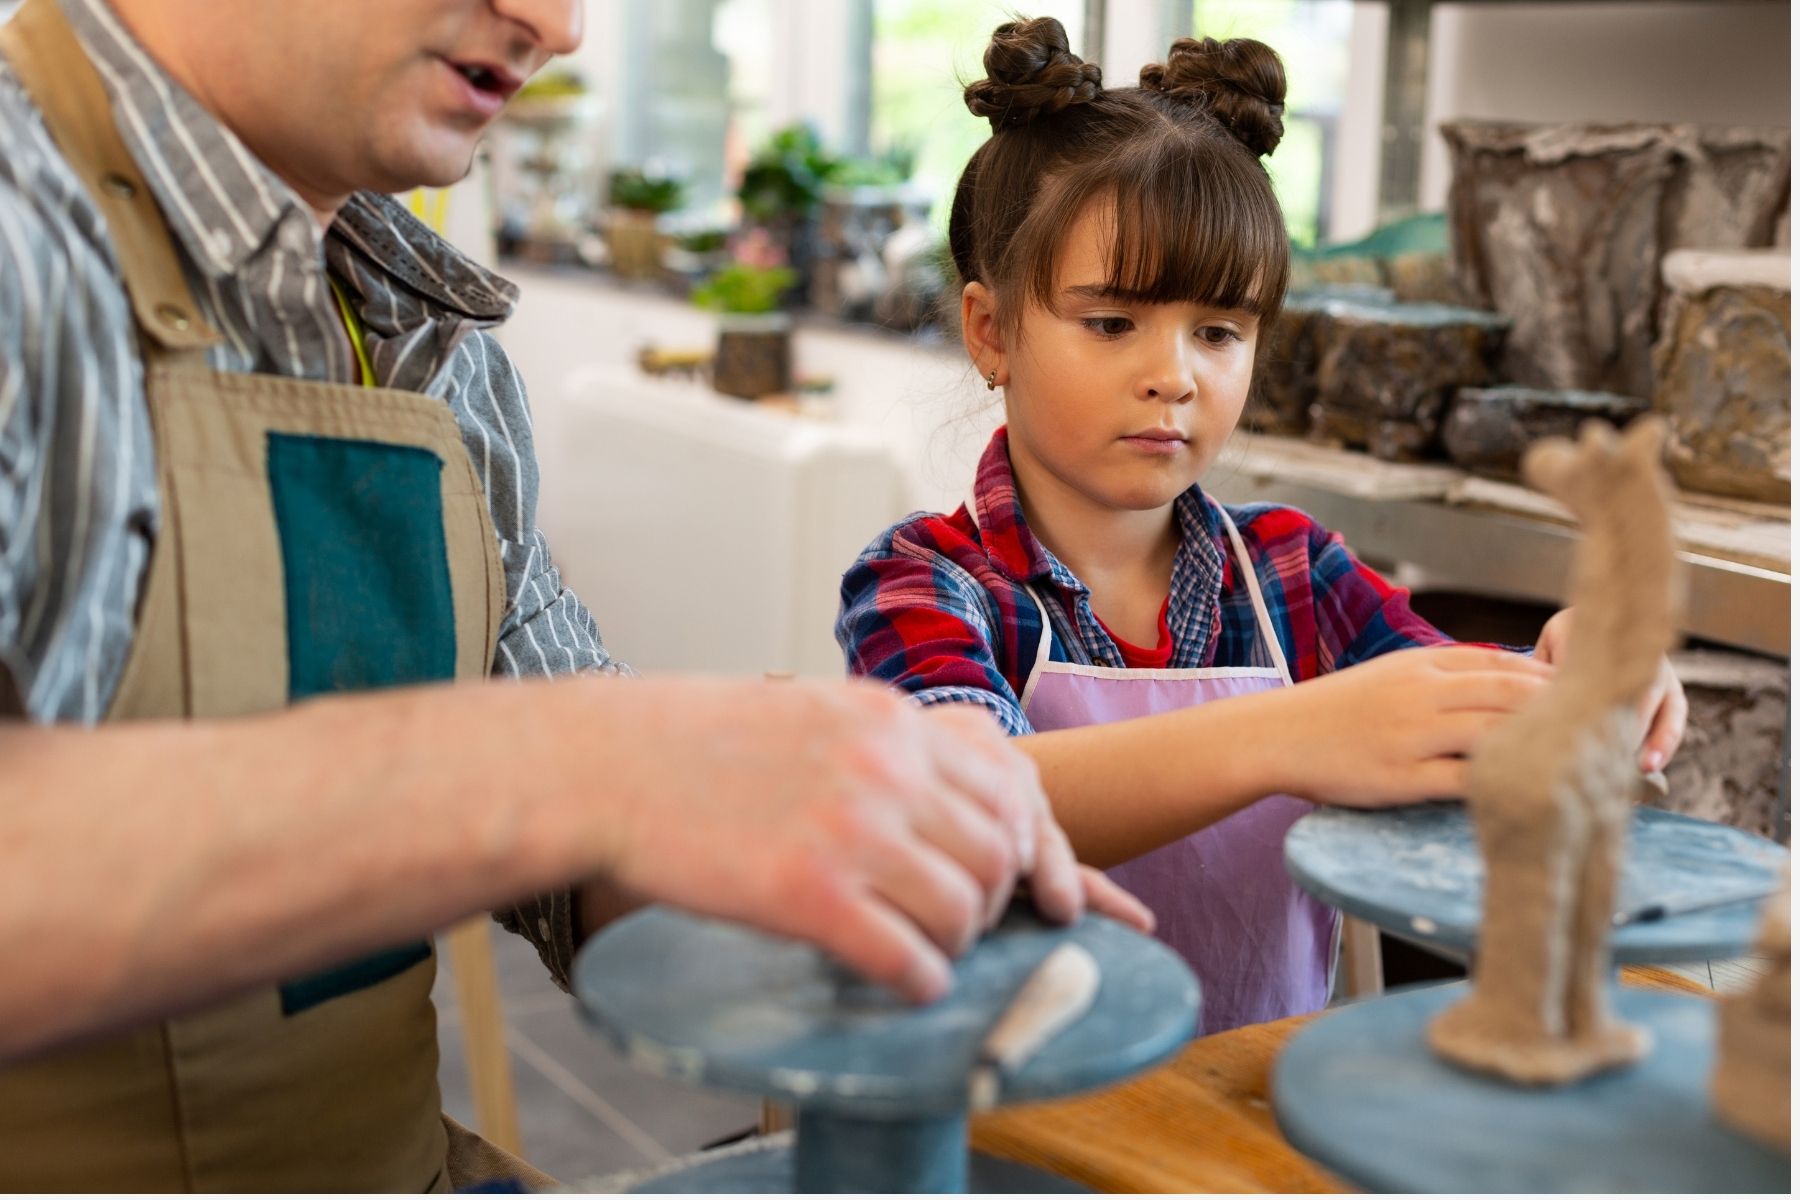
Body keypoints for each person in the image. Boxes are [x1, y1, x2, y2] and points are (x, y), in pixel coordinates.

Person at [0, 0, 1151, 1188]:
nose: (558, 25)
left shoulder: (431, 342)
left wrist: (829, 862)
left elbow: (571, 856)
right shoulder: (24, 233)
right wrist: (593, 763)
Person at [837, 18, 1688, 1037]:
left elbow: (1444, 714)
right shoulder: (923, 582)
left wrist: (1568, 684)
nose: (1175, 374)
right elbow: (967, 799)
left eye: (1219, 331)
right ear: (992, 331)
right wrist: (1298, 733)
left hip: (1246, 1115)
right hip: (1008, 1128)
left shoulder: (1293, 569)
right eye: (1112, 323)